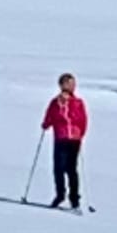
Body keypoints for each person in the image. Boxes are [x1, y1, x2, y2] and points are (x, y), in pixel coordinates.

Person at [41, 72, 88, 210]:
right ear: (62, 85)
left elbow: (83, 120)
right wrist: (46, 124)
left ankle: (74, 198)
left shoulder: (77, 102)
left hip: (74, 139)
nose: (73, 86)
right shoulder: (55, 102)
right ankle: (60, 194)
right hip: (61, 137)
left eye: (73, 83)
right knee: (59, 168)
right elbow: (50, 117)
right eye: (69, 83)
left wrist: (80, 134)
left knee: (71, 168)